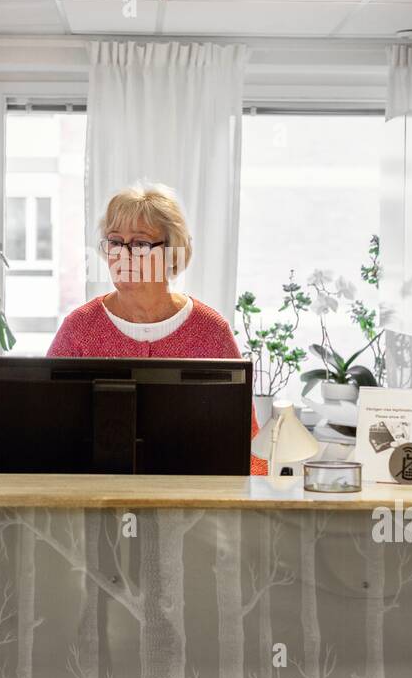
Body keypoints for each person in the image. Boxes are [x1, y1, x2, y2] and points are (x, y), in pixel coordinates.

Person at [47, 183, 265, 474]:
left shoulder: (211, 331)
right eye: (115, 242)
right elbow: (47, 428)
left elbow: (246, 442)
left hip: (193, 503)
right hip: (97, 500)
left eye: (139, 244)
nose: (123, 255)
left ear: (171, 252)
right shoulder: (80, 328)